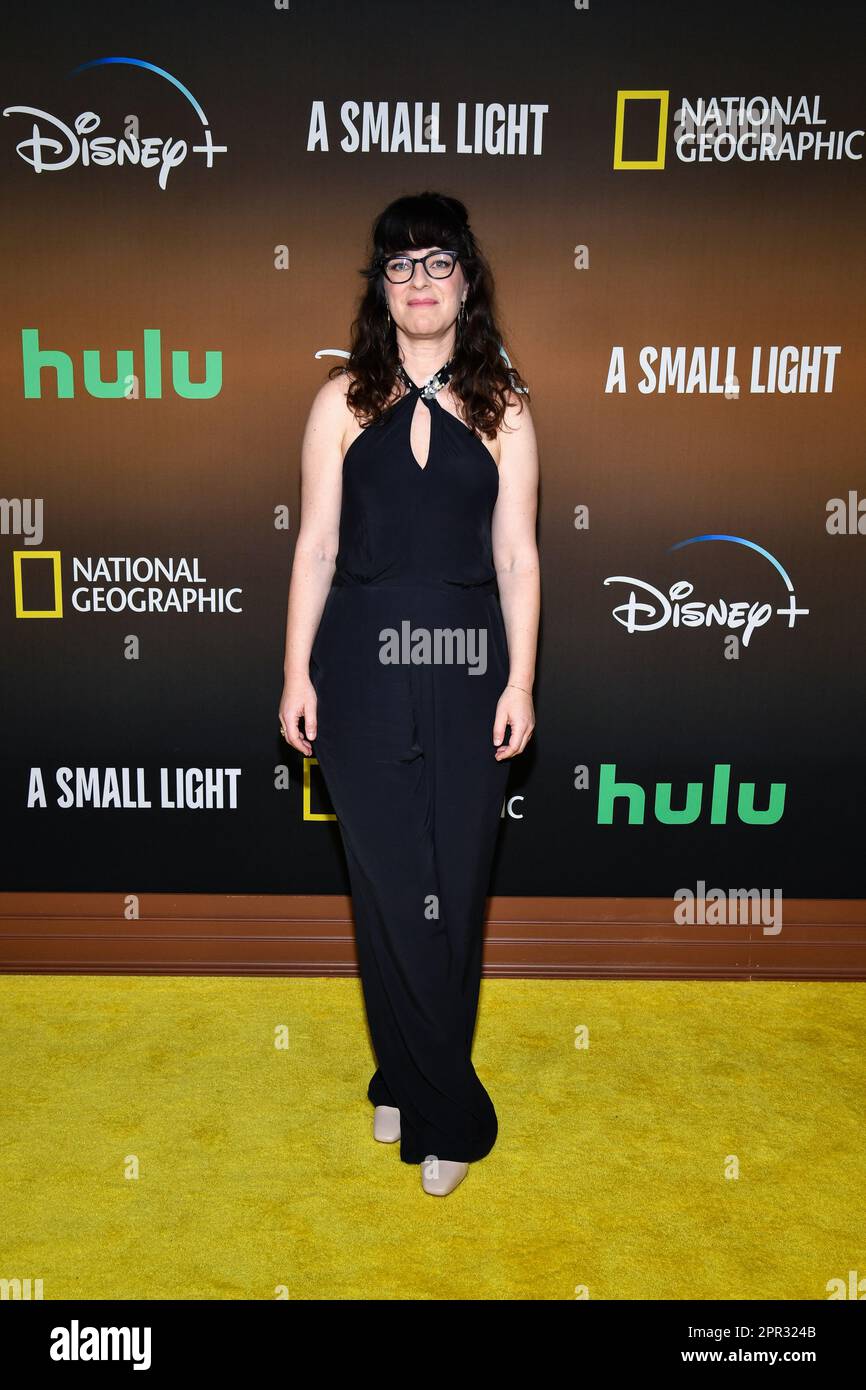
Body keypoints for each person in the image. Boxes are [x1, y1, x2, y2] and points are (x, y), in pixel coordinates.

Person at [279, 191, 540, 1196]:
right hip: (359, 668)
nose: (419, 282)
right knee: (388, 890)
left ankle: (406, 1077)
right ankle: (445, 1109)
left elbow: (517, 557)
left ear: (465, 282)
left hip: (471, 670)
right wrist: (295, 668)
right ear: (378, 287)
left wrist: (519, 677)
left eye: (437, 263)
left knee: (449, 896)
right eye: (399, 266)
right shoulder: (339, 401)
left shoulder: (504, 406)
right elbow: (314, 547)